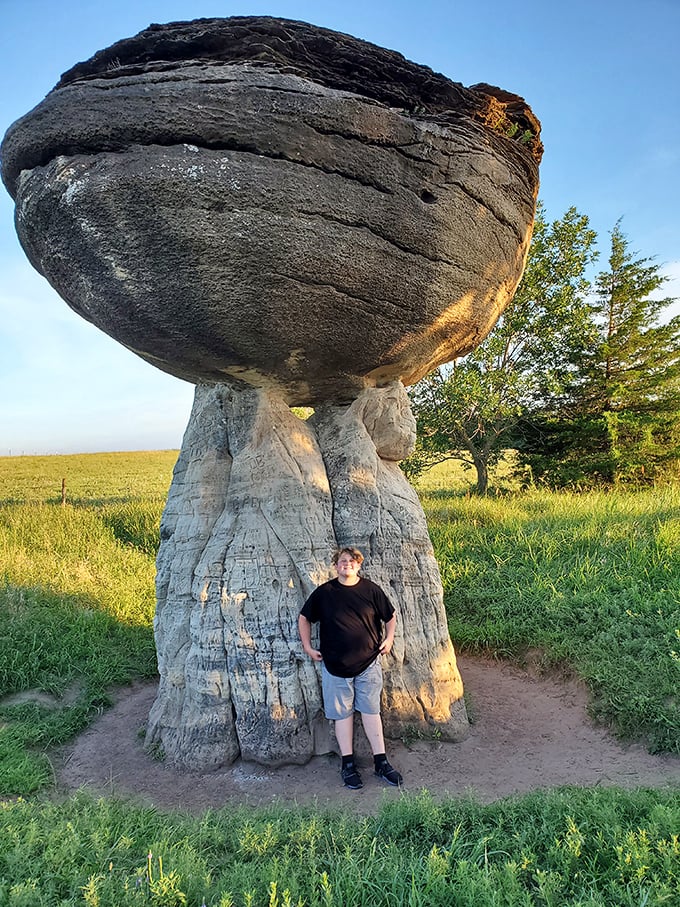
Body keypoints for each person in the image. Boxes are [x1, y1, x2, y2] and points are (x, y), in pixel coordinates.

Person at [298, 546, 403, 789]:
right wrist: (306, 646)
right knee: (342, 715)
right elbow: (304, 617)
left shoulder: (370, 590)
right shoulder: (325, 592)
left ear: (359, 565)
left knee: (370, 711)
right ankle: (348, 764)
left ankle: (381, 762)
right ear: (336, 566)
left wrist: (389, 639)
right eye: (343, 561)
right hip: (335, 666)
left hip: (368, 664)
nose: (348, 564)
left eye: (352, 561)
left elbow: (390, 616)